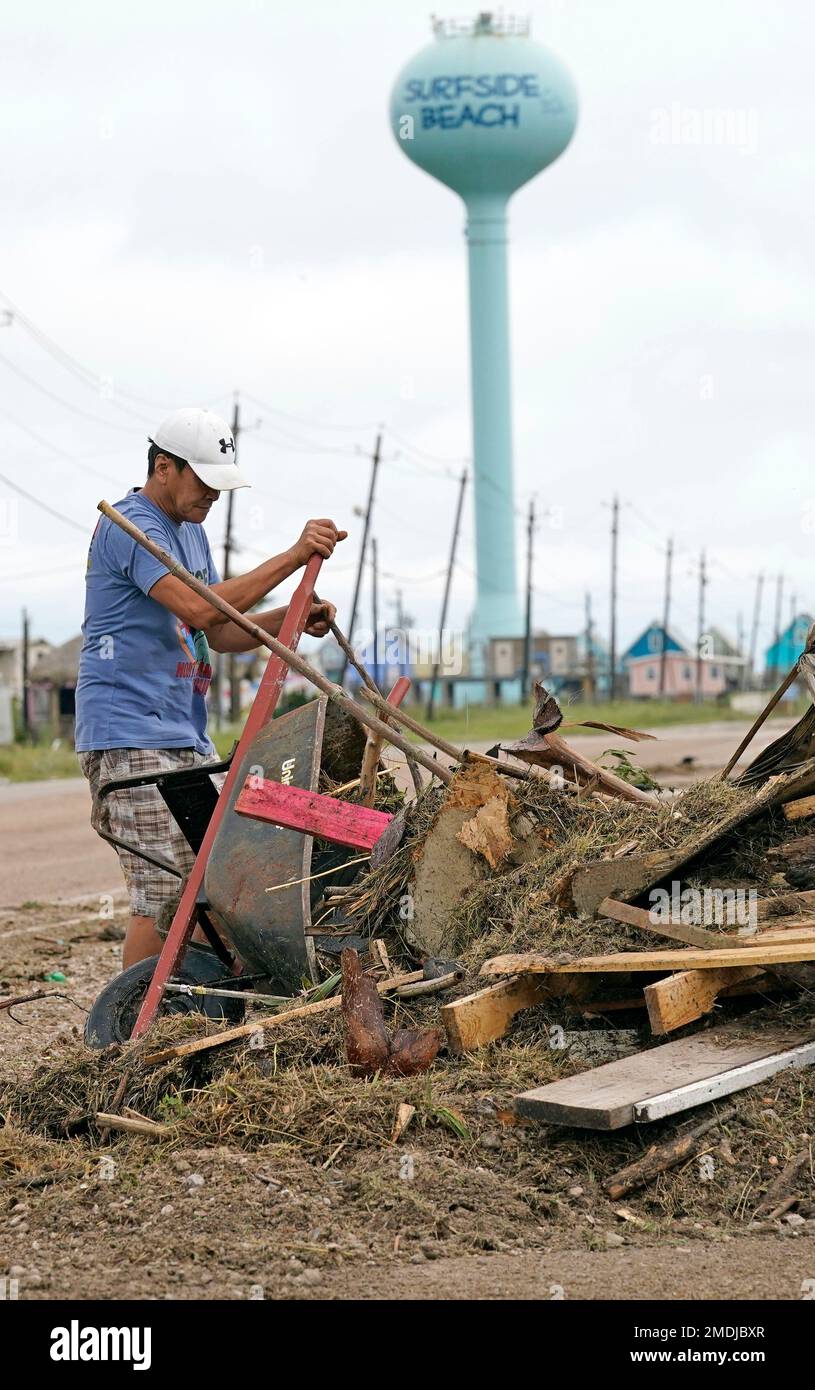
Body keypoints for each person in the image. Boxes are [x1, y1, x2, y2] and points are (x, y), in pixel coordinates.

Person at [75, 406, 346, 968]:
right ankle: (142, 1030)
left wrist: (294, 616)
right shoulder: (130, 527)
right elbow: (200, 608)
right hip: (129, 735)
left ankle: (195, 1001)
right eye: (204, 482)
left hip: (182, 735)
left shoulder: (191, 535)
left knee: (212, 879)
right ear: (163, 467)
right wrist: (295, 557)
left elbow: (220, 631)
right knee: (166, 891)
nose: (213, 497)